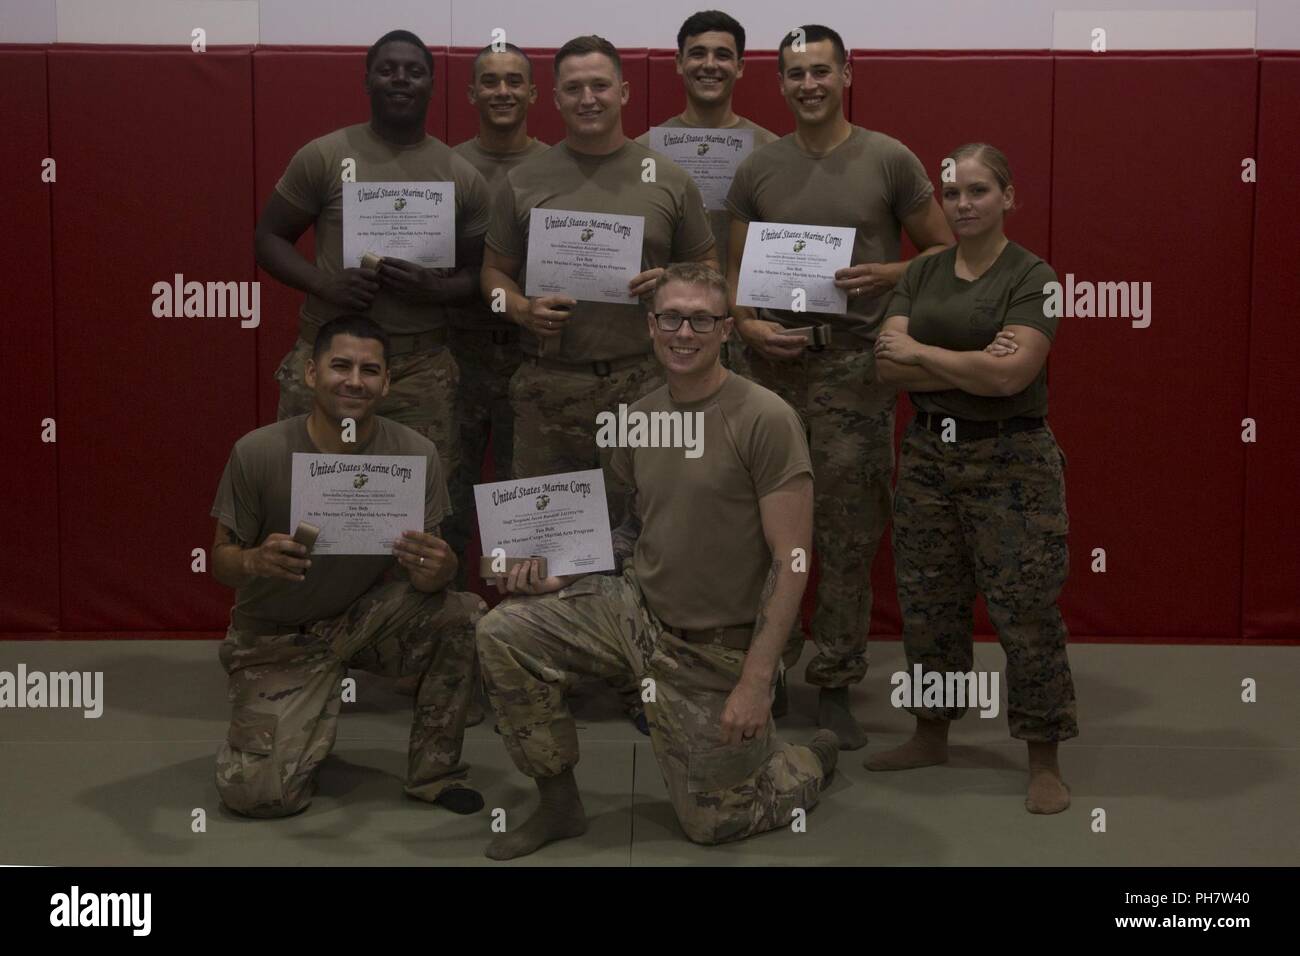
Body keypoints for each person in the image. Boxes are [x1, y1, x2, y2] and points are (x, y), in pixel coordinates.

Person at [475, 263, 837, 860]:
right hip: (636, 611)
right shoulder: (637, 417)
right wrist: (568, 571)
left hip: (716, 645)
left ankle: (804, 760)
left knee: (714, 824)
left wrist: (755, 681)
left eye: (701, 320)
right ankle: (559, 803)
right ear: (651, 325)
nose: (683, 333)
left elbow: (792, 559)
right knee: (503, 631)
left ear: (726, 330)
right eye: (670, 318)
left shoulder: (766, 418)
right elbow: (633, 528)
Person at [725, 24, 953, 749]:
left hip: (854, 371)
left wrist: (889, 274)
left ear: (847, 74)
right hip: (769, 372)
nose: (809, 85)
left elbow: (947, 253)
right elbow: (735, 279)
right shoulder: (758, 167)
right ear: (780, 83)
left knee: (848, 532)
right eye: (795, 74)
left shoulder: (889, 159)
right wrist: (747, 327)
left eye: (821, 71)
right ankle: (769, 667)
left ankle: (836, 679)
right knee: (760, 532)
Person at [868, 143, 1076, 814]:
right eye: (952, 193)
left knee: (1026, 612)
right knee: (930, 604)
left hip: (1011, 459)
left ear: (1008, 197)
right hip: (930, 456)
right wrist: (970, 361)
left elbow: (1011, 376)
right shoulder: (924, 270)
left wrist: (924, 352)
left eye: (978, 190)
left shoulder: (1033, 277)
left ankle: (1043, 756)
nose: (963, 204)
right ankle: (932, 734)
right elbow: (887, 367)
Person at [209, 315, 485, 818]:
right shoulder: (258, 451)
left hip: (362, 622)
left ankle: (435, 773)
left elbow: (431, 573)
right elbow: (220, 563)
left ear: (387, 382)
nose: (355, 381)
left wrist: (439, 570)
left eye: (369, 370)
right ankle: (300, 719)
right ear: (311, 373)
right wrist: (253, 559)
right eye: (341, 366)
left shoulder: (416, 454)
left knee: (462, 613)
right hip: (276, 636)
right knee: (259, 797)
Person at [481, 33, 717, 528]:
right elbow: (494, 274)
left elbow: (710, 274)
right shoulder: (523, 180)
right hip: (548, 385)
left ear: (624, 92)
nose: (587, 99)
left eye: (599, 86)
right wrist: (520, 309)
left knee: (645, 531)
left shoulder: (669, 178)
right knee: (546, 541)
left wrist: (672, 283)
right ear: (554, 98)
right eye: (573, 88)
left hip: (645, 384)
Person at [255, 29, 492, 484]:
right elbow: (268, 238)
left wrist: (438, 289)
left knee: (415, 506)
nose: (400, 78)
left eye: (414, 71)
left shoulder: (461, 176)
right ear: (367, 81)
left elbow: (480, 273)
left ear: (431, 84)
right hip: (330, 359)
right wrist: (323, 283)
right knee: (309, 496)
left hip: (419, 371)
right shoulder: (324, 156)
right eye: (387, 70)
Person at [444, 43, 550, 587]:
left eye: (514, 81)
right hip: (455, 352)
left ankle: (519, 622)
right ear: (471, 92)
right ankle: (443, 618)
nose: (502, 91)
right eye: (490, 81)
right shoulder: (444, 167)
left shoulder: (559, 167)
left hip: (533, 354)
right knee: (447, 498)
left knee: (526, 500)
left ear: (533, 93)